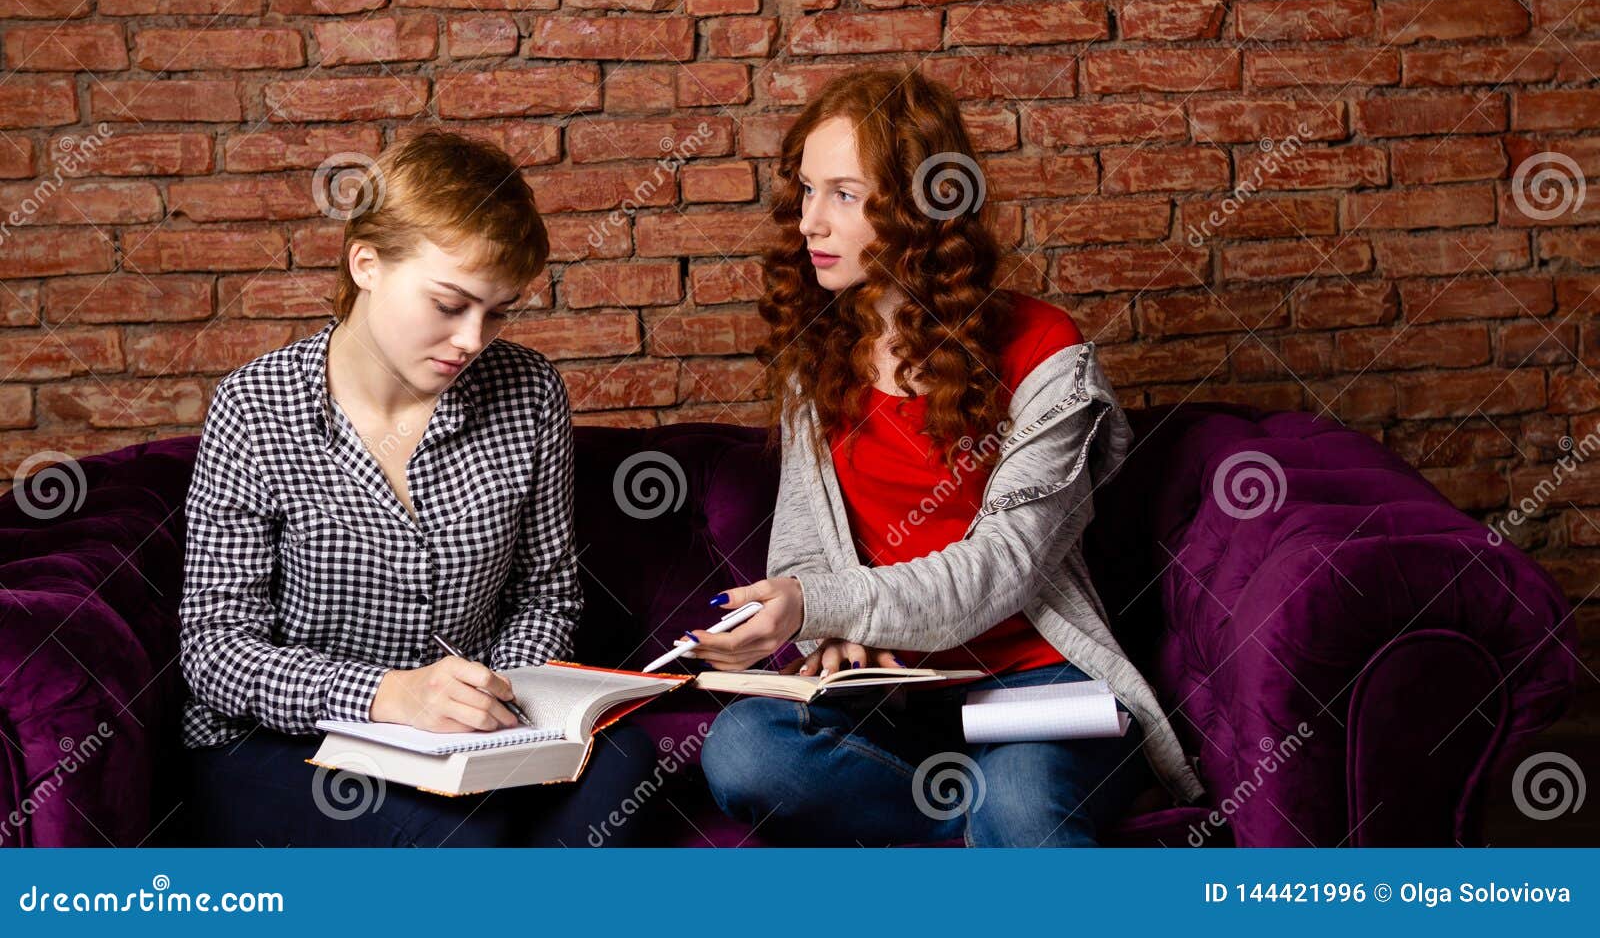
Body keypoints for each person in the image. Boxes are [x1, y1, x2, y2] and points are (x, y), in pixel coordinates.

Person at [690, 67, 1207, 846]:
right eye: (805, 190)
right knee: (742, 750)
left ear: (918, 208)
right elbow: (803, 544)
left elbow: (1000, 569)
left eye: (843, 194)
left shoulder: (1048, 360)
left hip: (1036, 686)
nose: (808, 223)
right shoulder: (818, 356)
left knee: (1025, 809)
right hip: (896, 694)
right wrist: (822, 632)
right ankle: (977, 842)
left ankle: (983, 831)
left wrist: (817, 602)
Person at [178, 129, 655, 847]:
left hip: (465, 742)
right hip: (280, 744)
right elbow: (217, 649)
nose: (472, 339)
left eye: (497, 312)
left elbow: (546, 595)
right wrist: (389, 695)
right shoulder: (256, 407)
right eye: (449, 302)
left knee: (630, 764)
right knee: (454, 834)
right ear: (366, 263)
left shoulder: (529, 393)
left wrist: (488, 694)